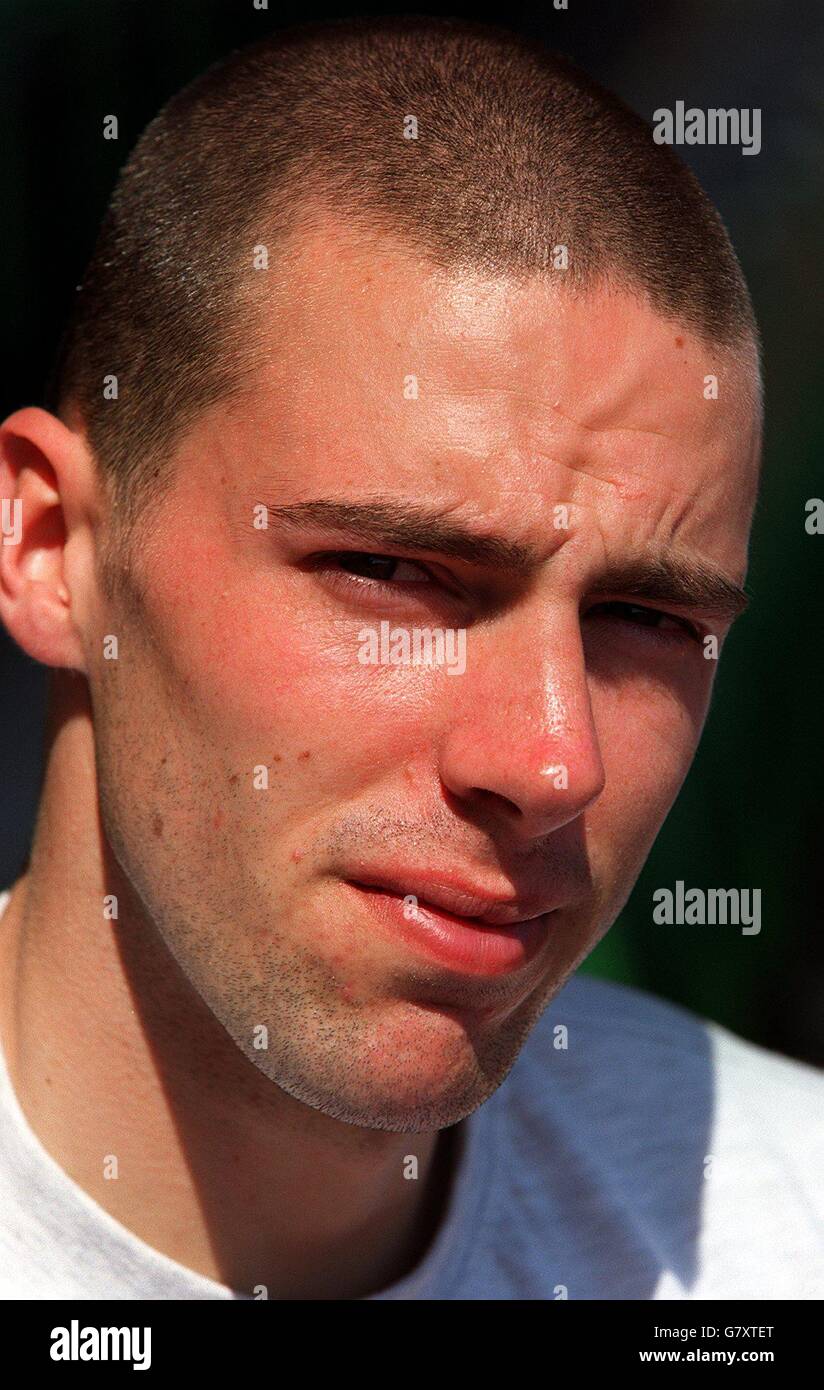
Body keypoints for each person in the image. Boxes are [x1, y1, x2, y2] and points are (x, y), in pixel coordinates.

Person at [0, 15, 821, 1301]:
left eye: (650, 620)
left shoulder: (780, 1224)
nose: (552, 759)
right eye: (393, 574)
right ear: (54, 549)